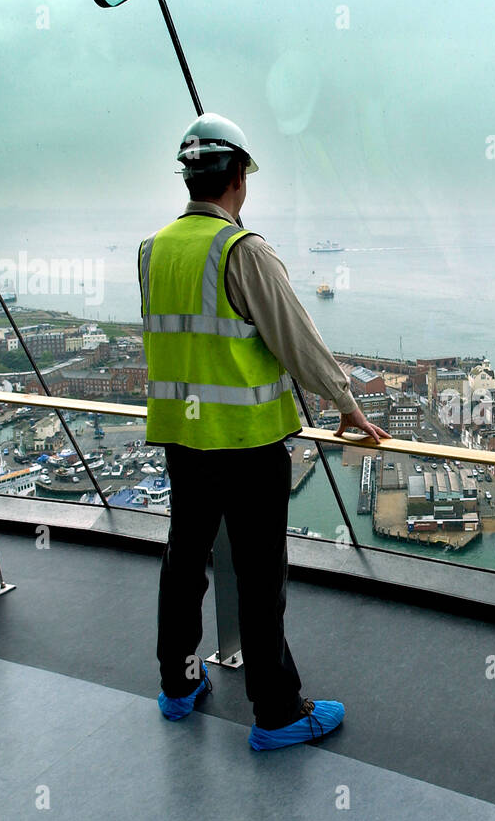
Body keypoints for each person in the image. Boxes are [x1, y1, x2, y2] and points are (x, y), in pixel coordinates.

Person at [139, 112, 390, 750]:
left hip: (182, 437)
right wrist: (347, 403)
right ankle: (276, 712)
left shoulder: (153, 250)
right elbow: (297, 340)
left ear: (189, 177)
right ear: (239, 179)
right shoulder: (241, 251)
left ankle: (177, 684)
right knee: (258, 578)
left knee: (184, 562)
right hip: (247, 444)